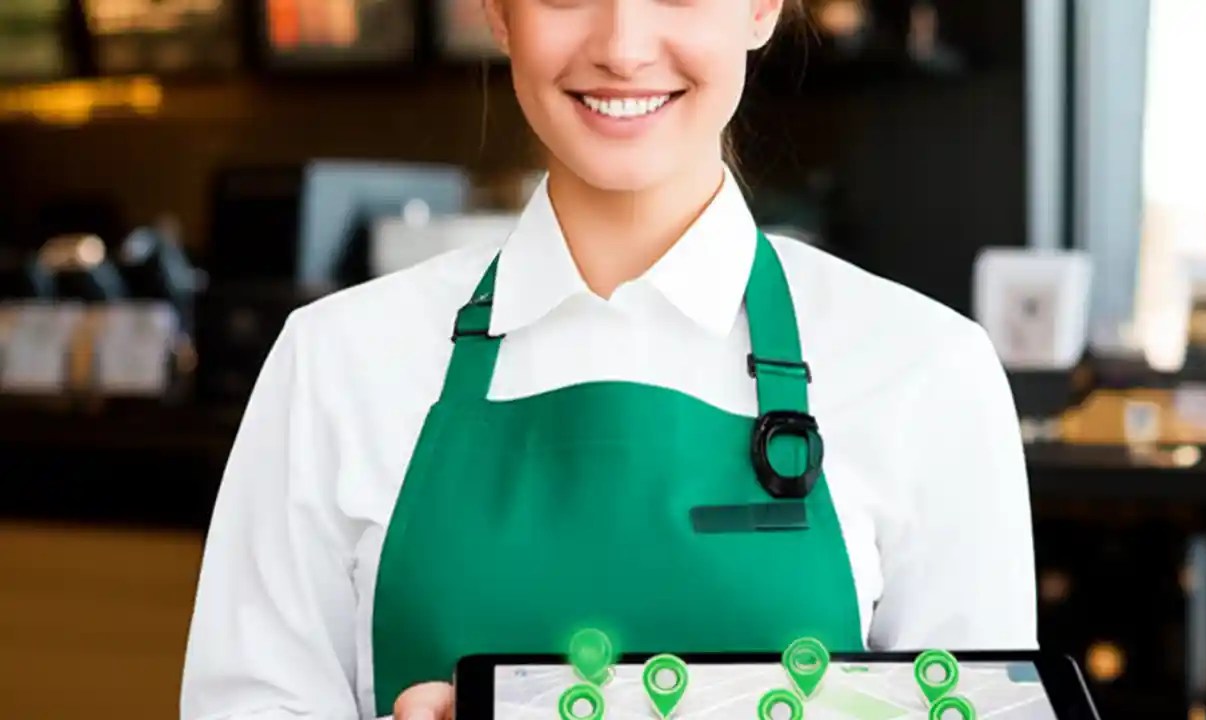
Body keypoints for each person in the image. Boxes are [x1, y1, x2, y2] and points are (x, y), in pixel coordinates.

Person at [179, 0, 1038, 717]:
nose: (623, 47)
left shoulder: (927, 370)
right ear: (497, 13)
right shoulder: (337, 361)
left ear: (761, 8)